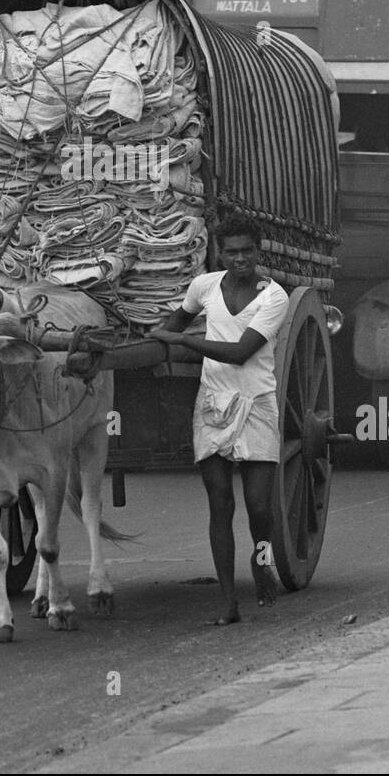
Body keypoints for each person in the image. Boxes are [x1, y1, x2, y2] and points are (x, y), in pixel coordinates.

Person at [148, 214, 290, 624]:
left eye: (248, 251)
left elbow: (241, 352)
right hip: (212, 405)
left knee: (260, 507)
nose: (241, 258)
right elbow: (176, 319)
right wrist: (155, 336)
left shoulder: (273, 297)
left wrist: (179, 341)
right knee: (220, 504)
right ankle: (228, 601)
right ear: (219, 253)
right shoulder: (205, 286)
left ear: (259, 252)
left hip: (257, 404)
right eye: (232, 251)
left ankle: (261, 558)